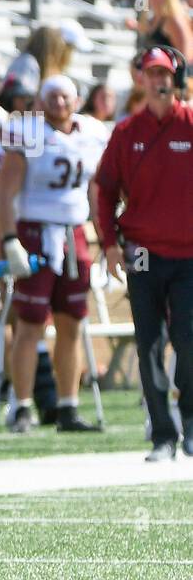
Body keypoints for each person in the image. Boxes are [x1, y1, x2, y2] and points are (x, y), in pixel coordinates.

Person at [94, 46, 193, 460]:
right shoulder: (125, 133)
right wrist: (109, 244)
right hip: (142, 253)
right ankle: (163, 436)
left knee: (189, 340)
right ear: (141, 79)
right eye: (151, 73)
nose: (159, 80)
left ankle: (190, 423)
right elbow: (103, 189)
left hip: (189, 253)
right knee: (148, 340)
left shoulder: (190, 123)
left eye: (164, 72)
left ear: (176, 77)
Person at [0, 75, 108, 434]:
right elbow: (4, 191)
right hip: (35, 231)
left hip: (74, 233)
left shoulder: (92, 132)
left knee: (72, 324)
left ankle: (67, 405)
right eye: (52, 97)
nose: (59, 103)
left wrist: (106, 235)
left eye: (65, 96)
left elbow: (96, 190)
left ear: (76, 99)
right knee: (30, 323)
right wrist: (9, 238)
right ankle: (23, 406)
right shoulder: (28, 132)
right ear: (41, 101)